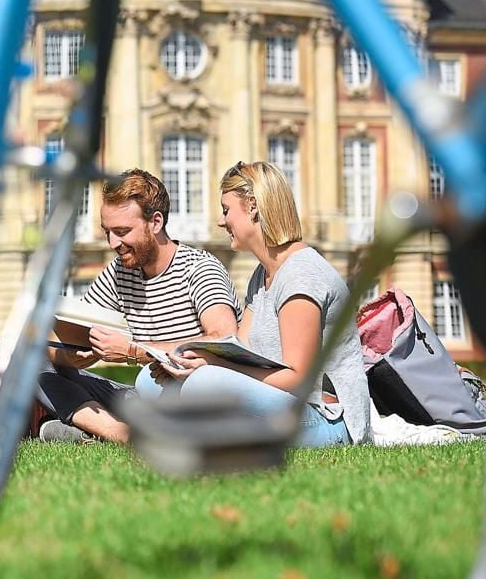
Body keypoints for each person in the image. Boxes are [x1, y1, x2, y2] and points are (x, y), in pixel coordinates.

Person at [138, 161, 372, 446]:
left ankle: (197, 432)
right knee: (150, 383)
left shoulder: (301, 275)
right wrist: (186, 358)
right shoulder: (262, 275)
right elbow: (240, 348)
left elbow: (297, 378)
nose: (221, 222)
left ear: (252, 207)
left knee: (204, 383)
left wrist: (211, 367)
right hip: (280, 406)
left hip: (329, 421)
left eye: (226, 211)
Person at [37, 169, 240, 442]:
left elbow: (223, 338)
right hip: (143, 399)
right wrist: (73, 355)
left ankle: (96, 429)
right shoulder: (120, 271)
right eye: (107, 232)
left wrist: (131, 352)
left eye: (122, 232)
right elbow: (61, 337)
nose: (112, 244)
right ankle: (118, 432)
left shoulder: (200, 269)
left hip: (194, 401)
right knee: (32, 362)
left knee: (53, 424)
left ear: (155, 222)